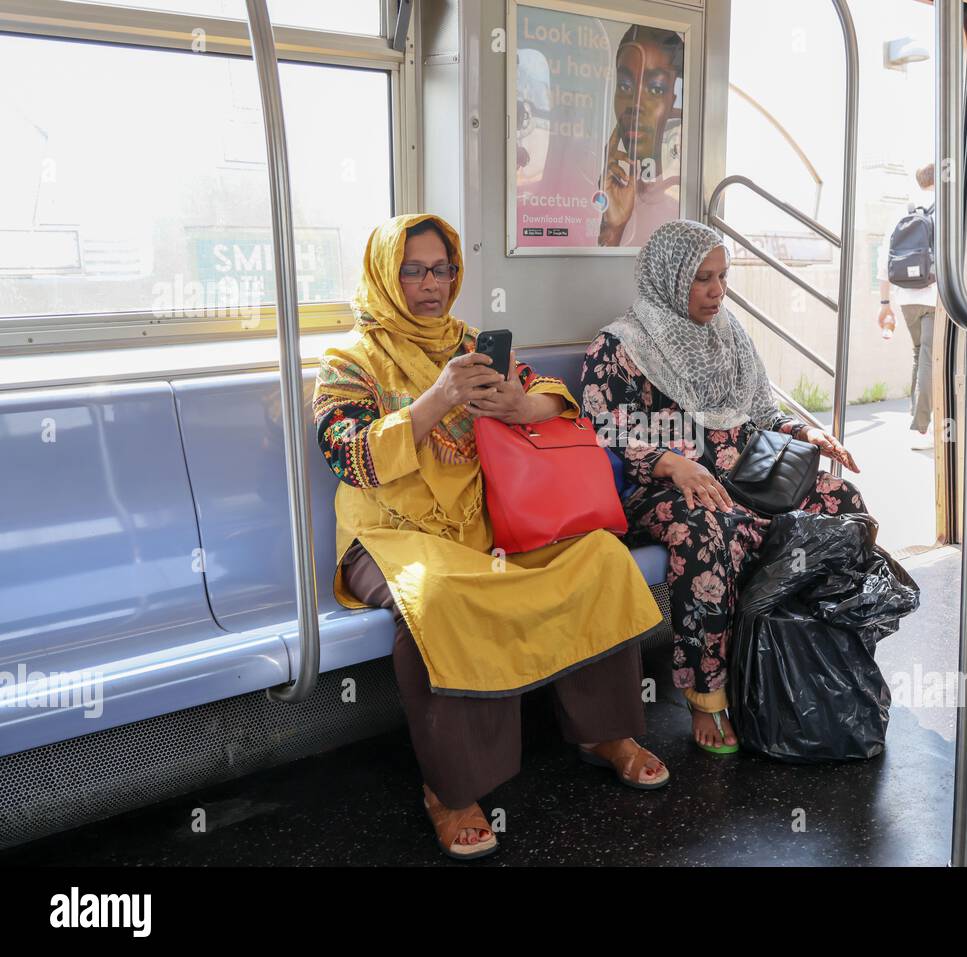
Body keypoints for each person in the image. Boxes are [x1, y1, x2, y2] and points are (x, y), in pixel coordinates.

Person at [312, 214, 669, 860]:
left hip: (482, 525)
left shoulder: (472, 342)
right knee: (439, 597)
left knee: (597, 557)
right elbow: (349, 457)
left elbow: (553, 396)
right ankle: (452, 789)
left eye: (442, 269)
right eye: (414, 269)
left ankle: (605, 730)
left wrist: (521, 405)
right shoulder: (349, 359)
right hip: (389, 535)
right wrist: (436, 399)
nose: (431, 284)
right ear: (386, 275)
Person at [579, 219, 866, 753]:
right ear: (669, 279)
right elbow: (604, 430)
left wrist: (807, 433)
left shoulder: (729, 333)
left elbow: (761, 413)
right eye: (702, 279)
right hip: (668, 489)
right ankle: (708, 695)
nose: (717, 291)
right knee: (709, 528)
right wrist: (669, 463)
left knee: (839, 500)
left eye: (723, 277)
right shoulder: (619, 346)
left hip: (746, 475)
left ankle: (823, 655)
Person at [598, 25, 684, 247]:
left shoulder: (682, 212)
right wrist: (612, 228)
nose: (635, 105)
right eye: (625, 86)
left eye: (655, 89)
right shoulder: (595, 194)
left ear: (674, 103)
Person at [877, 163, 938, 450]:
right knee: (929, 357)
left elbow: (883, 259)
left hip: (905, 296)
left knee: (919, 355)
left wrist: (884, 303)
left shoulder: (903, 210)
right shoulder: (945, 209)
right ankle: (922, 429)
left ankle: (917, 417)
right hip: (934, 295)